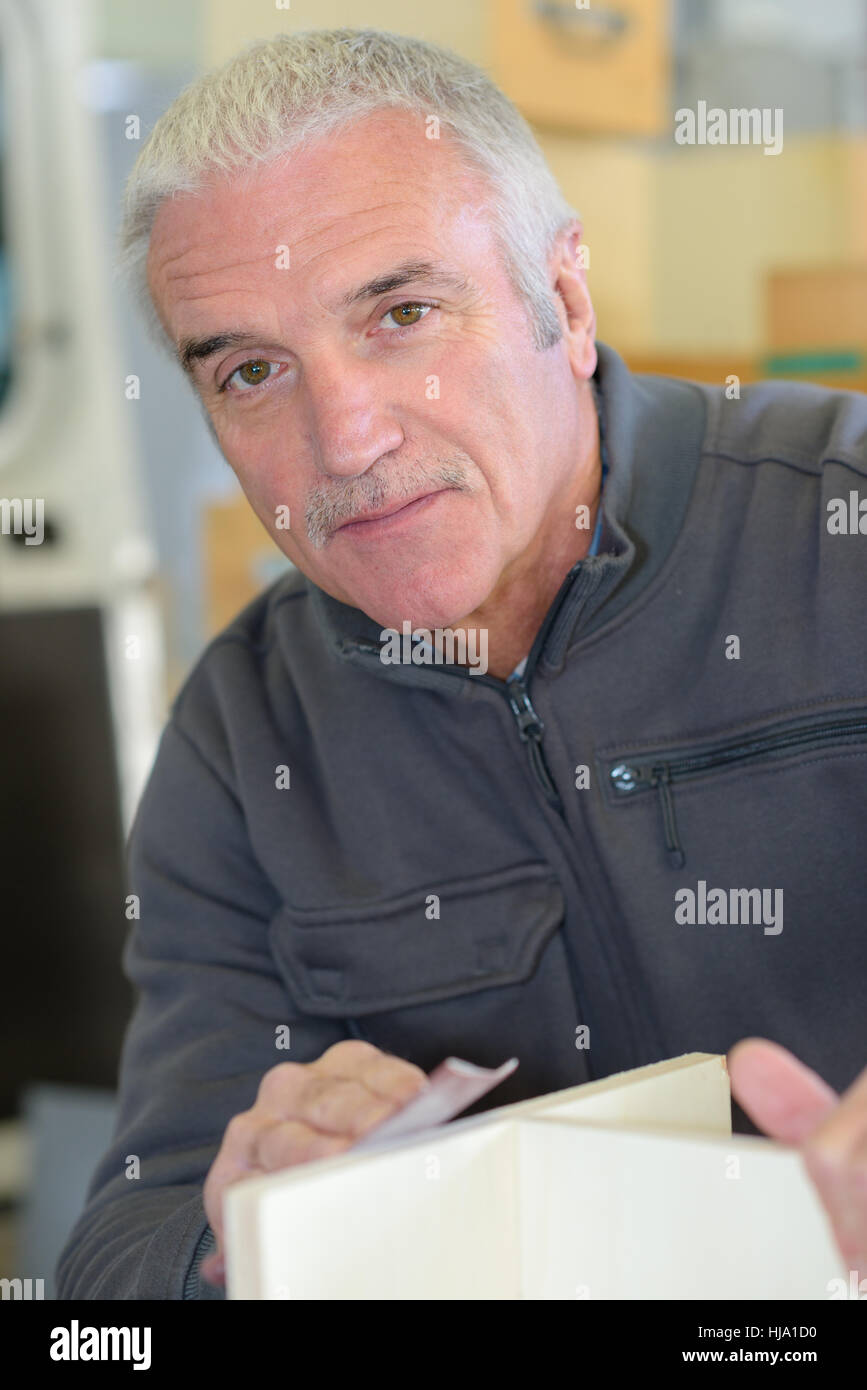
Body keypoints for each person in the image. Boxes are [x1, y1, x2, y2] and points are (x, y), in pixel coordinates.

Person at [56, 28, 867, 1300]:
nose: (345, 438)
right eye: (253, 372)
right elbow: (110, 1276)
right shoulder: (245, 741)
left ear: (569, 300)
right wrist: (232, 1234)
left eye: (403, 313)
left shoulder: (841, 532)